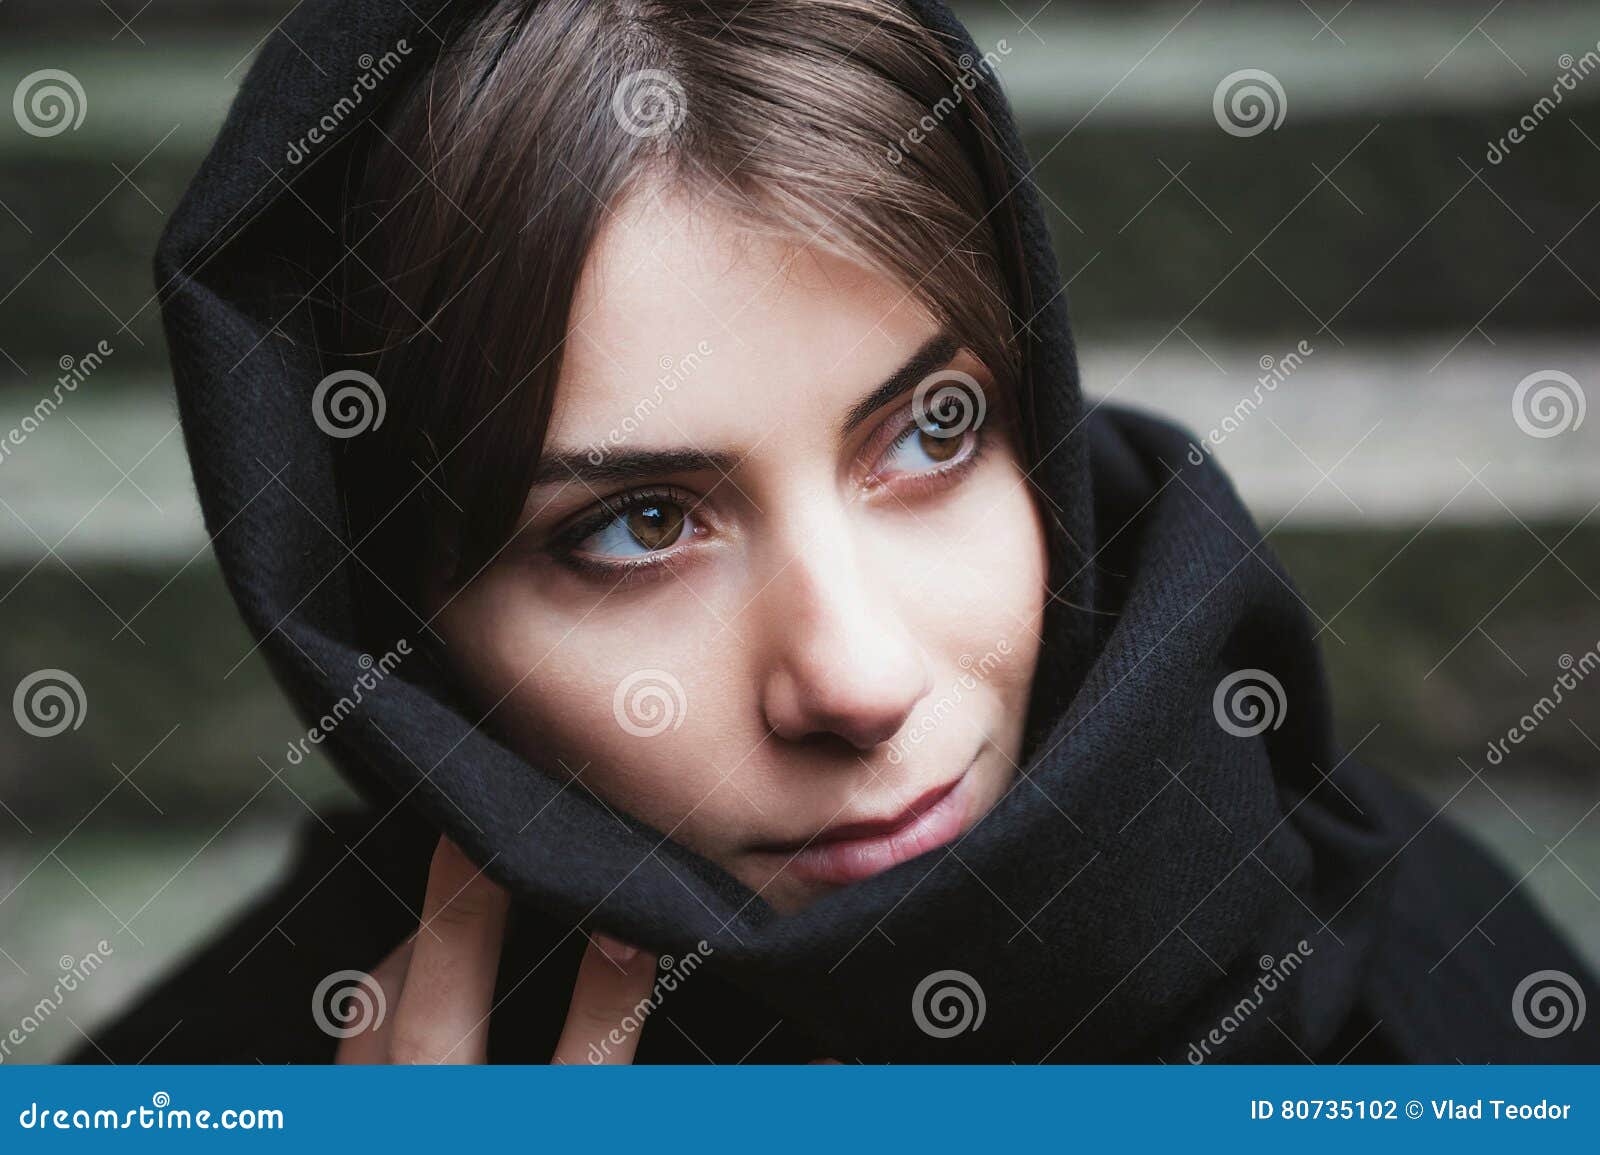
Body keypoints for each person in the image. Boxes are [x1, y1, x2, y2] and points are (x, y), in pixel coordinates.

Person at [69, 0, 1599, 1064]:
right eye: (638, 525)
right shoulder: (278, 1060)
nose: (858, 681)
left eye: (932, 433)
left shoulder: (1440, 1000)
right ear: (392, 632)